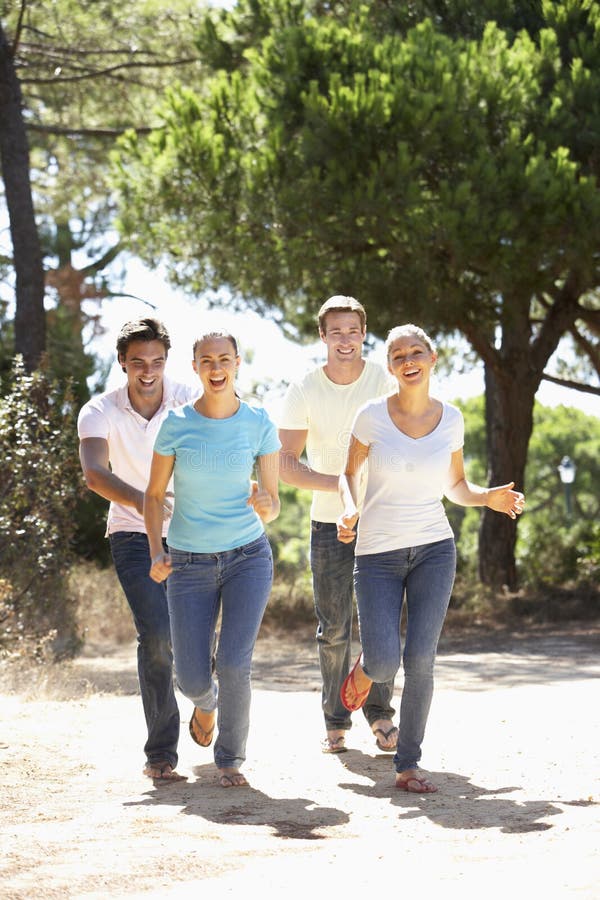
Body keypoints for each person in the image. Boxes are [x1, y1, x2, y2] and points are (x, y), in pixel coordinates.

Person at [337, 323, 525, 792]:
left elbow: (456, 487)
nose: (407, 360)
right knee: (384, 663)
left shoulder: (453, 419)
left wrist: (488, 499)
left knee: (421, 659)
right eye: (397, 355)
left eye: (415, 351)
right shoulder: (371, 416)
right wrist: (348, 507)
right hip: (377, 553)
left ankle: (408, 763)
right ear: (391, 366)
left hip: (433, 551)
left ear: (432, 358)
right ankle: (364, 671)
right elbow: (347, 473)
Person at [144, 331, 280, 789]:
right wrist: (155, 550)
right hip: (187, 562)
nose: (216, 367)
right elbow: (154, 494)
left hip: (248, 556)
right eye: (207, 360)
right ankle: (207, 702)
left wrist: (267, 505)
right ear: (196, 366)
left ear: (238, 363)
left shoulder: (259, 421)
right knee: (190, 676)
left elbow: (274, 502)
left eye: (224, 359)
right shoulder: (177, 423)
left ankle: (230, 760)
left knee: (236, 662)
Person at [78, 317, 196, 782]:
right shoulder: (99, 410)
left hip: (193, 529)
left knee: (193, 636)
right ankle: (162, 750)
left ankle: (204, 703)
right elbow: (95, 474)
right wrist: (148, 501)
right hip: (130, 532)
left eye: (157, 362)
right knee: (157, 634)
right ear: (122, 363)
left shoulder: (188, 398)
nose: (148, 371)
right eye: (138, 363)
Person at [278, 295, 397, 754]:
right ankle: (335, 719)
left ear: (364, 333)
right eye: (336, 331)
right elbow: (287, 466)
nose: (344, 339)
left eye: (353, 330)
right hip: (328, 524)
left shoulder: (386, 381)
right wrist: (345, 489)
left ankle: (381, 713)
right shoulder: (304, 388)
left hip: (385, 521)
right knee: (334, 628)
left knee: (381, 627)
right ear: (322, 335)